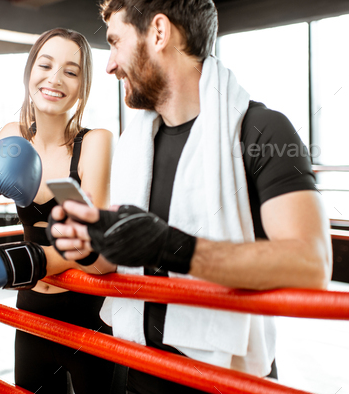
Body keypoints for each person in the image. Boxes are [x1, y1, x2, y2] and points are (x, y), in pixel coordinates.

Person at [47, 1, 333, 393]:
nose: (110, 64)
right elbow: (125, 259)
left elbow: (311, 262)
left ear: (159, 33)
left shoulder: (262, 130)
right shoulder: (134, 144)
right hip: (139, 369)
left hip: (227, 379)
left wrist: (170, 246)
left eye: (115, 42)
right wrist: (88, 242)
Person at [0, 28, 116, 393]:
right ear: (29, 72)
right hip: (32, 310)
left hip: (89, 313)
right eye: (45, 64)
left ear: (83, 85)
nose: (54, 79)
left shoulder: (96, 143)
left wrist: (4, 266)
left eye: (71, 71)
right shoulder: (11, 136)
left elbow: (95, 253)